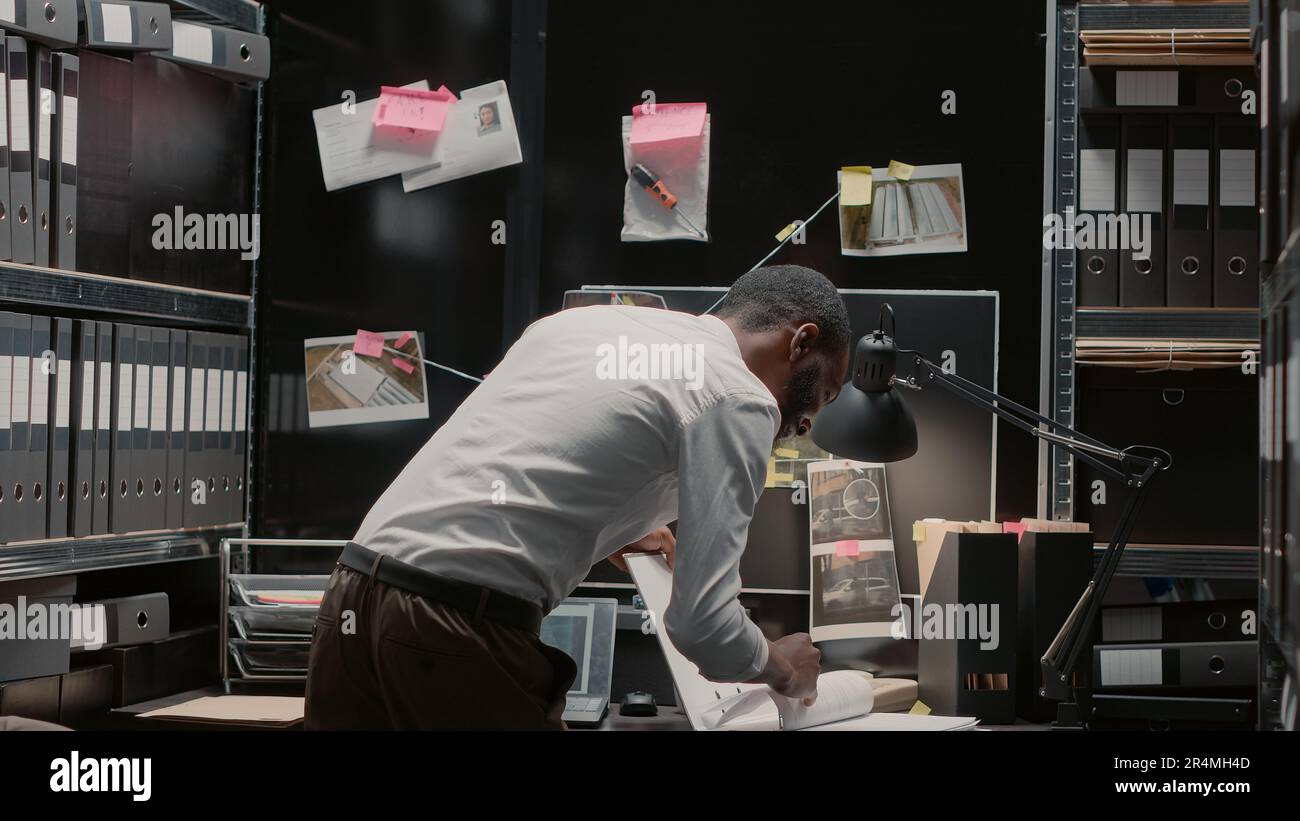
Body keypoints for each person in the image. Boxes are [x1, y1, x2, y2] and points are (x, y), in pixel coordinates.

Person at [304, 265, 852, 729]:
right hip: (456, 628)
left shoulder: (582, 324)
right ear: (800, 341)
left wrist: (620, 520)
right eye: (819, 394)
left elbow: (525, 450)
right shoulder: (739, 395)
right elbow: (703, 627)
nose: (803, 424)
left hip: (352, 597)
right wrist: (782, 666)